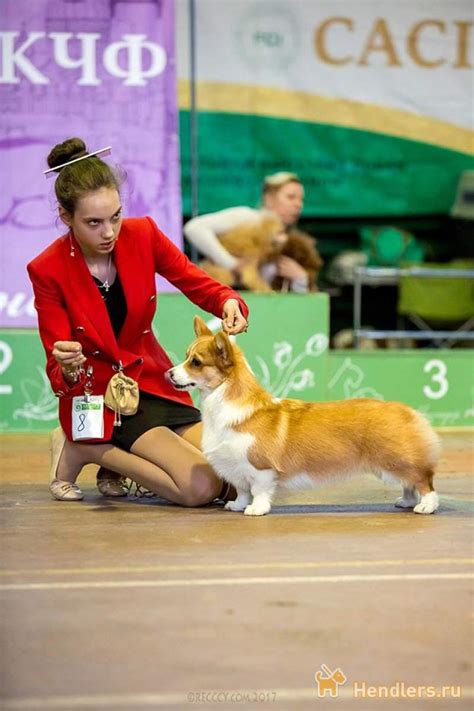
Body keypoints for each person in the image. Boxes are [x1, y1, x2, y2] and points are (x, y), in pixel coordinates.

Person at [27, 137, 248, 504]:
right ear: (66, 218)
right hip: (100, 398)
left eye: (115, 216)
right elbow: (58, 367)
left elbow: (196, 282)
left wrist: (228, 301)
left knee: (234, 477)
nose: (109, 232)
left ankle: (114, 461)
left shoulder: (143, 234)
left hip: (153, 383)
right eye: (93, 222)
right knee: (200, 489)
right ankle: (89, 450)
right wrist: (67, 365)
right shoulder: (47, 269)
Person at [183, 172, 314, 293]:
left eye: (301, 200)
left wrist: (300, 279)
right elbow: (194, 228)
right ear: (268, 198)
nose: (298, 204)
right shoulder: (248, 218)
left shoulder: (294, 244)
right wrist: (231, 263)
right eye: (291, 197)